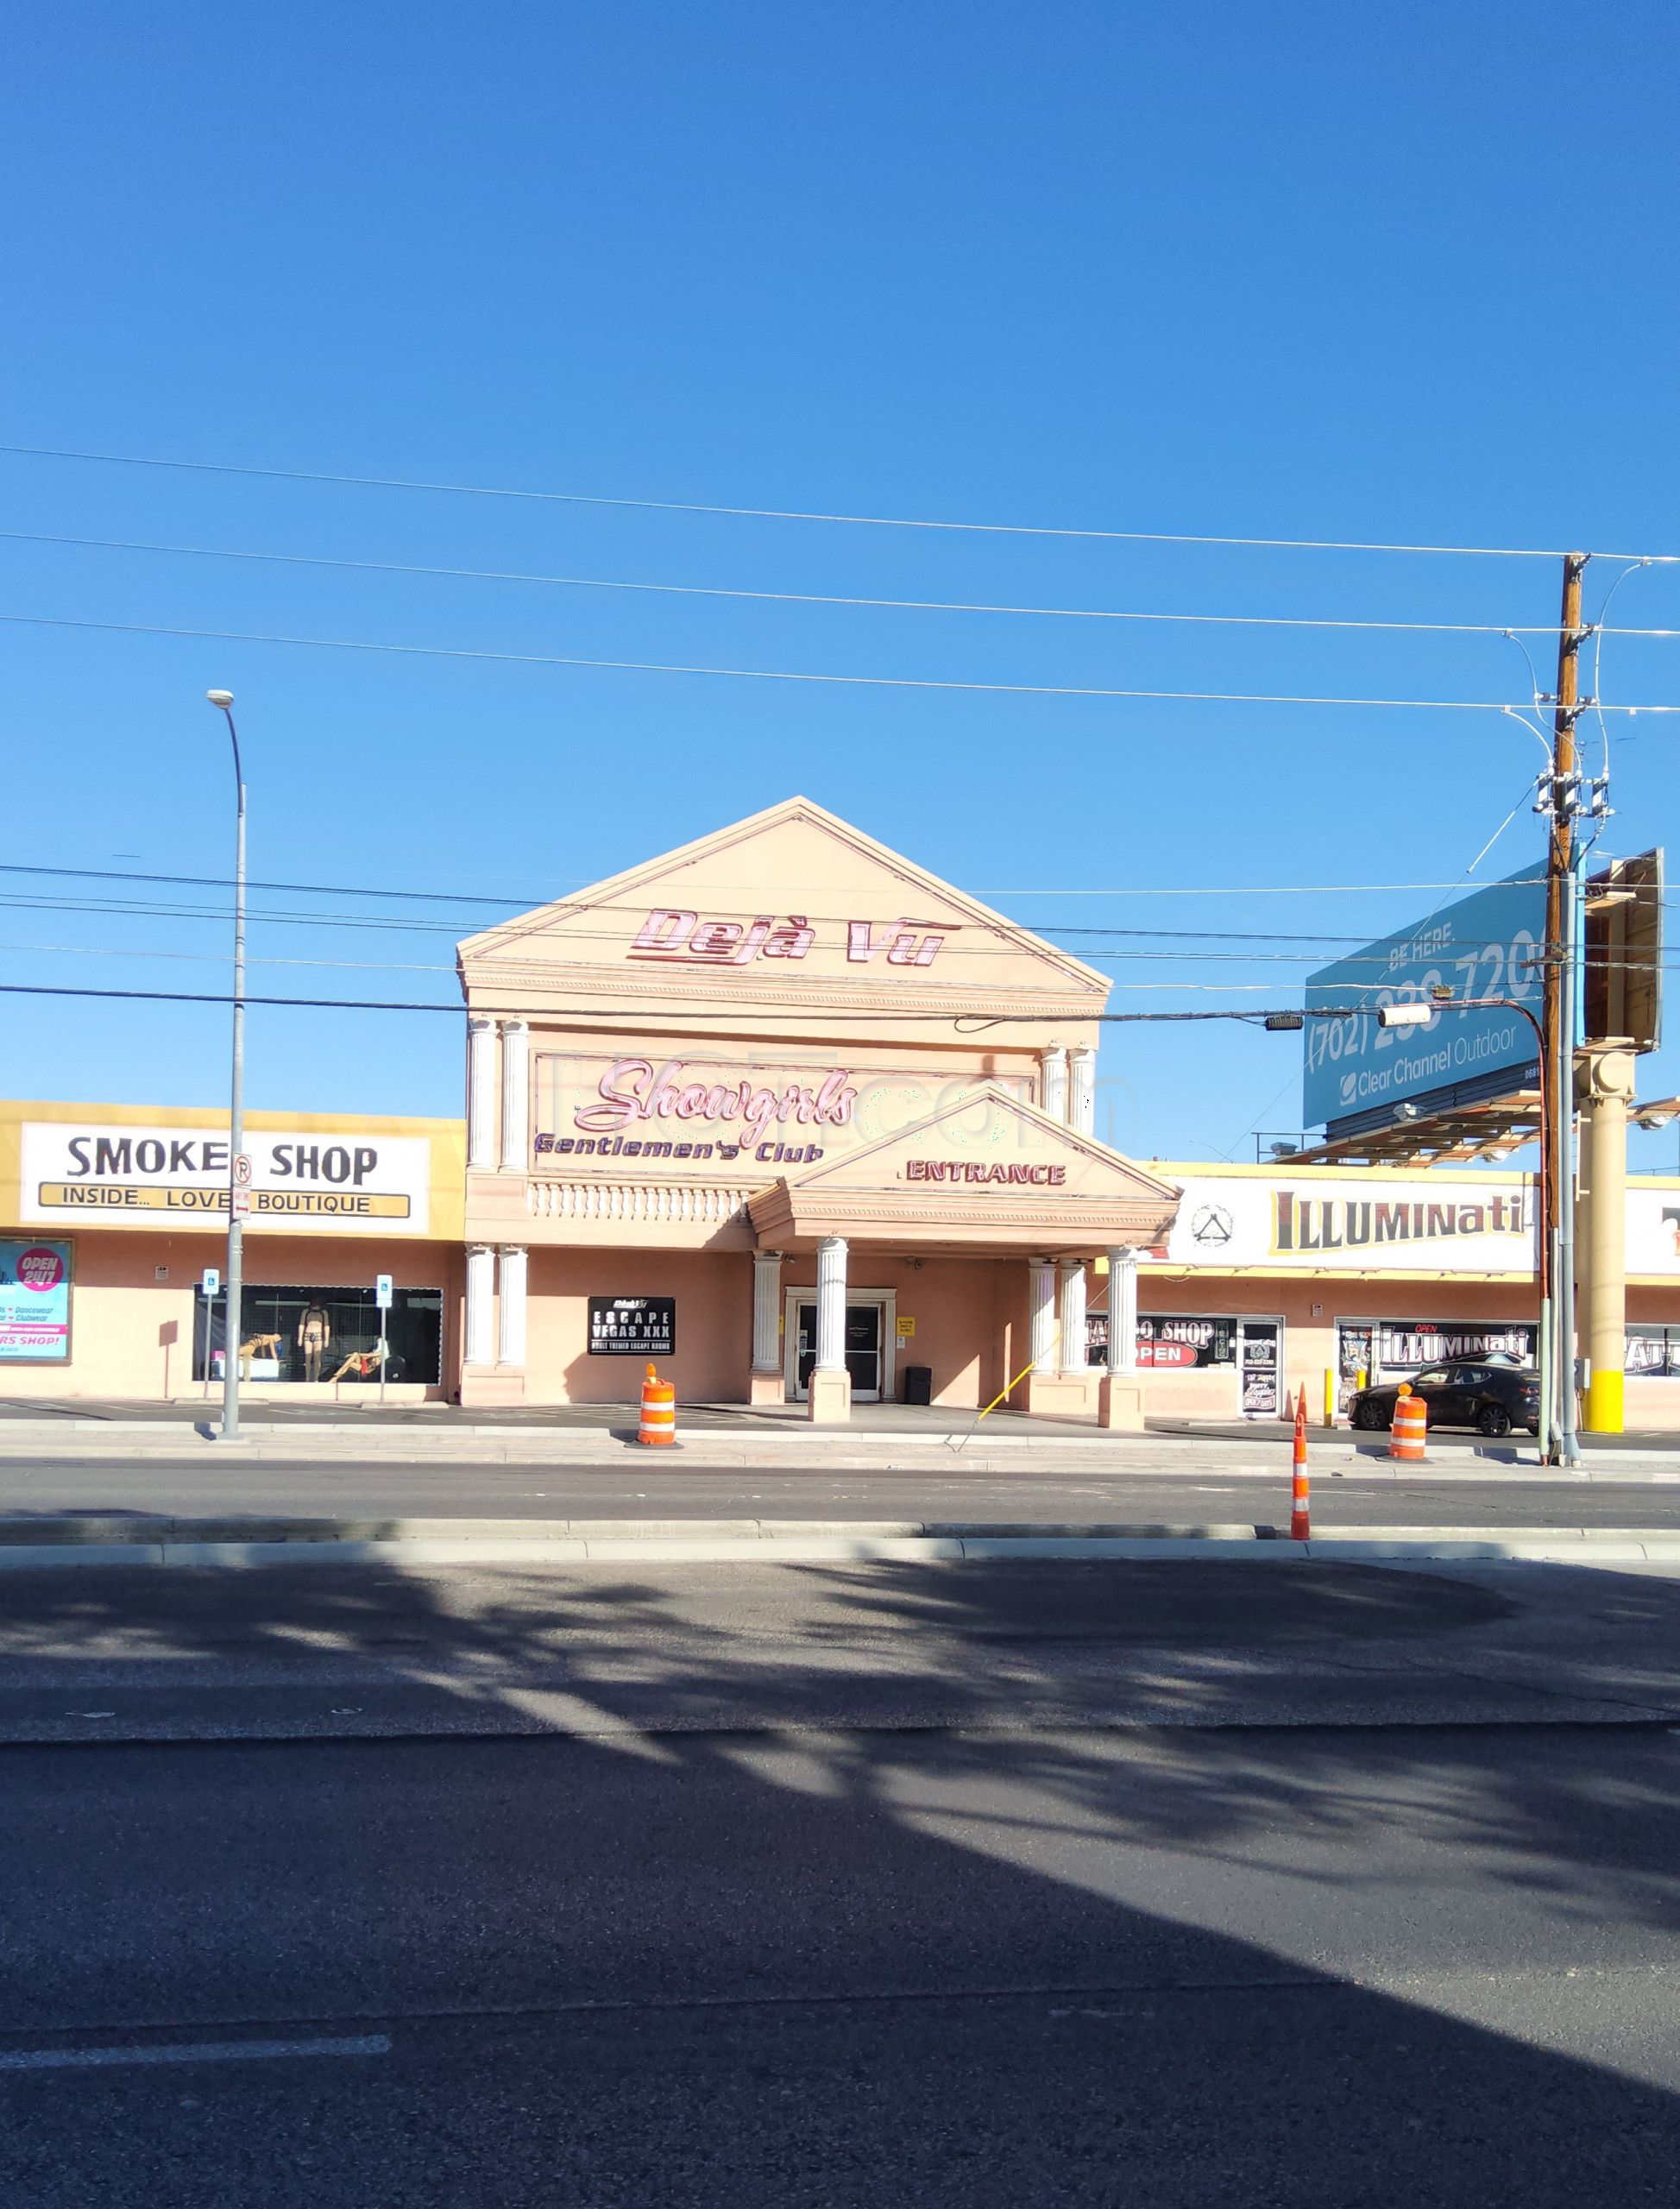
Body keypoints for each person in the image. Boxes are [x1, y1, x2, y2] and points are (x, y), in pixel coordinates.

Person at [296, 1300, 331, 1383]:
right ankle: (307, 1377)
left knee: (317, 1357)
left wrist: (327, 1339)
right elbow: (302, 1324)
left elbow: (326, 1325)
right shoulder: (306, 1311)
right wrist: (300, 1338)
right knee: (308, 1357)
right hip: (308, 1334)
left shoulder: (323, 1312)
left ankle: (316, 1377)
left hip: (318, 1335)